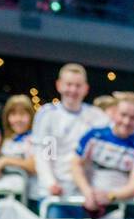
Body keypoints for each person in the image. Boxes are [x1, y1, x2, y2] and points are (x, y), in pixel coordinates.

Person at [32, 63, 109, 200]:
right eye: (69, 84)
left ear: (86, 89)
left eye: (78, 86)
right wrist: (51, 183)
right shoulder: (48, 114)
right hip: (56, 192)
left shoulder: (97, 116)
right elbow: (44, 154)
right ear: (59, 85)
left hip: (87, 192)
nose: (73, 90)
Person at [70, 94, 134, 213]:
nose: (126, 121)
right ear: (114, 113)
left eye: (132, 117)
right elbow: (76, 164)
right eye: (123, 115)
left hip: (121, 208)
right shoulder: (94, 135)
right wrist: (87, 191)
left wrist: (110, 196)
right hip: (87, 201)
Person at [0, 94, 38, 205]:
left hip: (29, 198)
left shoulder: (36, 139)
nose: (18, 119)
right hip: (4, 194)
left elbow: (34, 166)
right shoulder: (6, 141)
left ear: (31, 116)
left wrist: (6, 161)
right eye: (13, 114)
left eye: (22, 114)